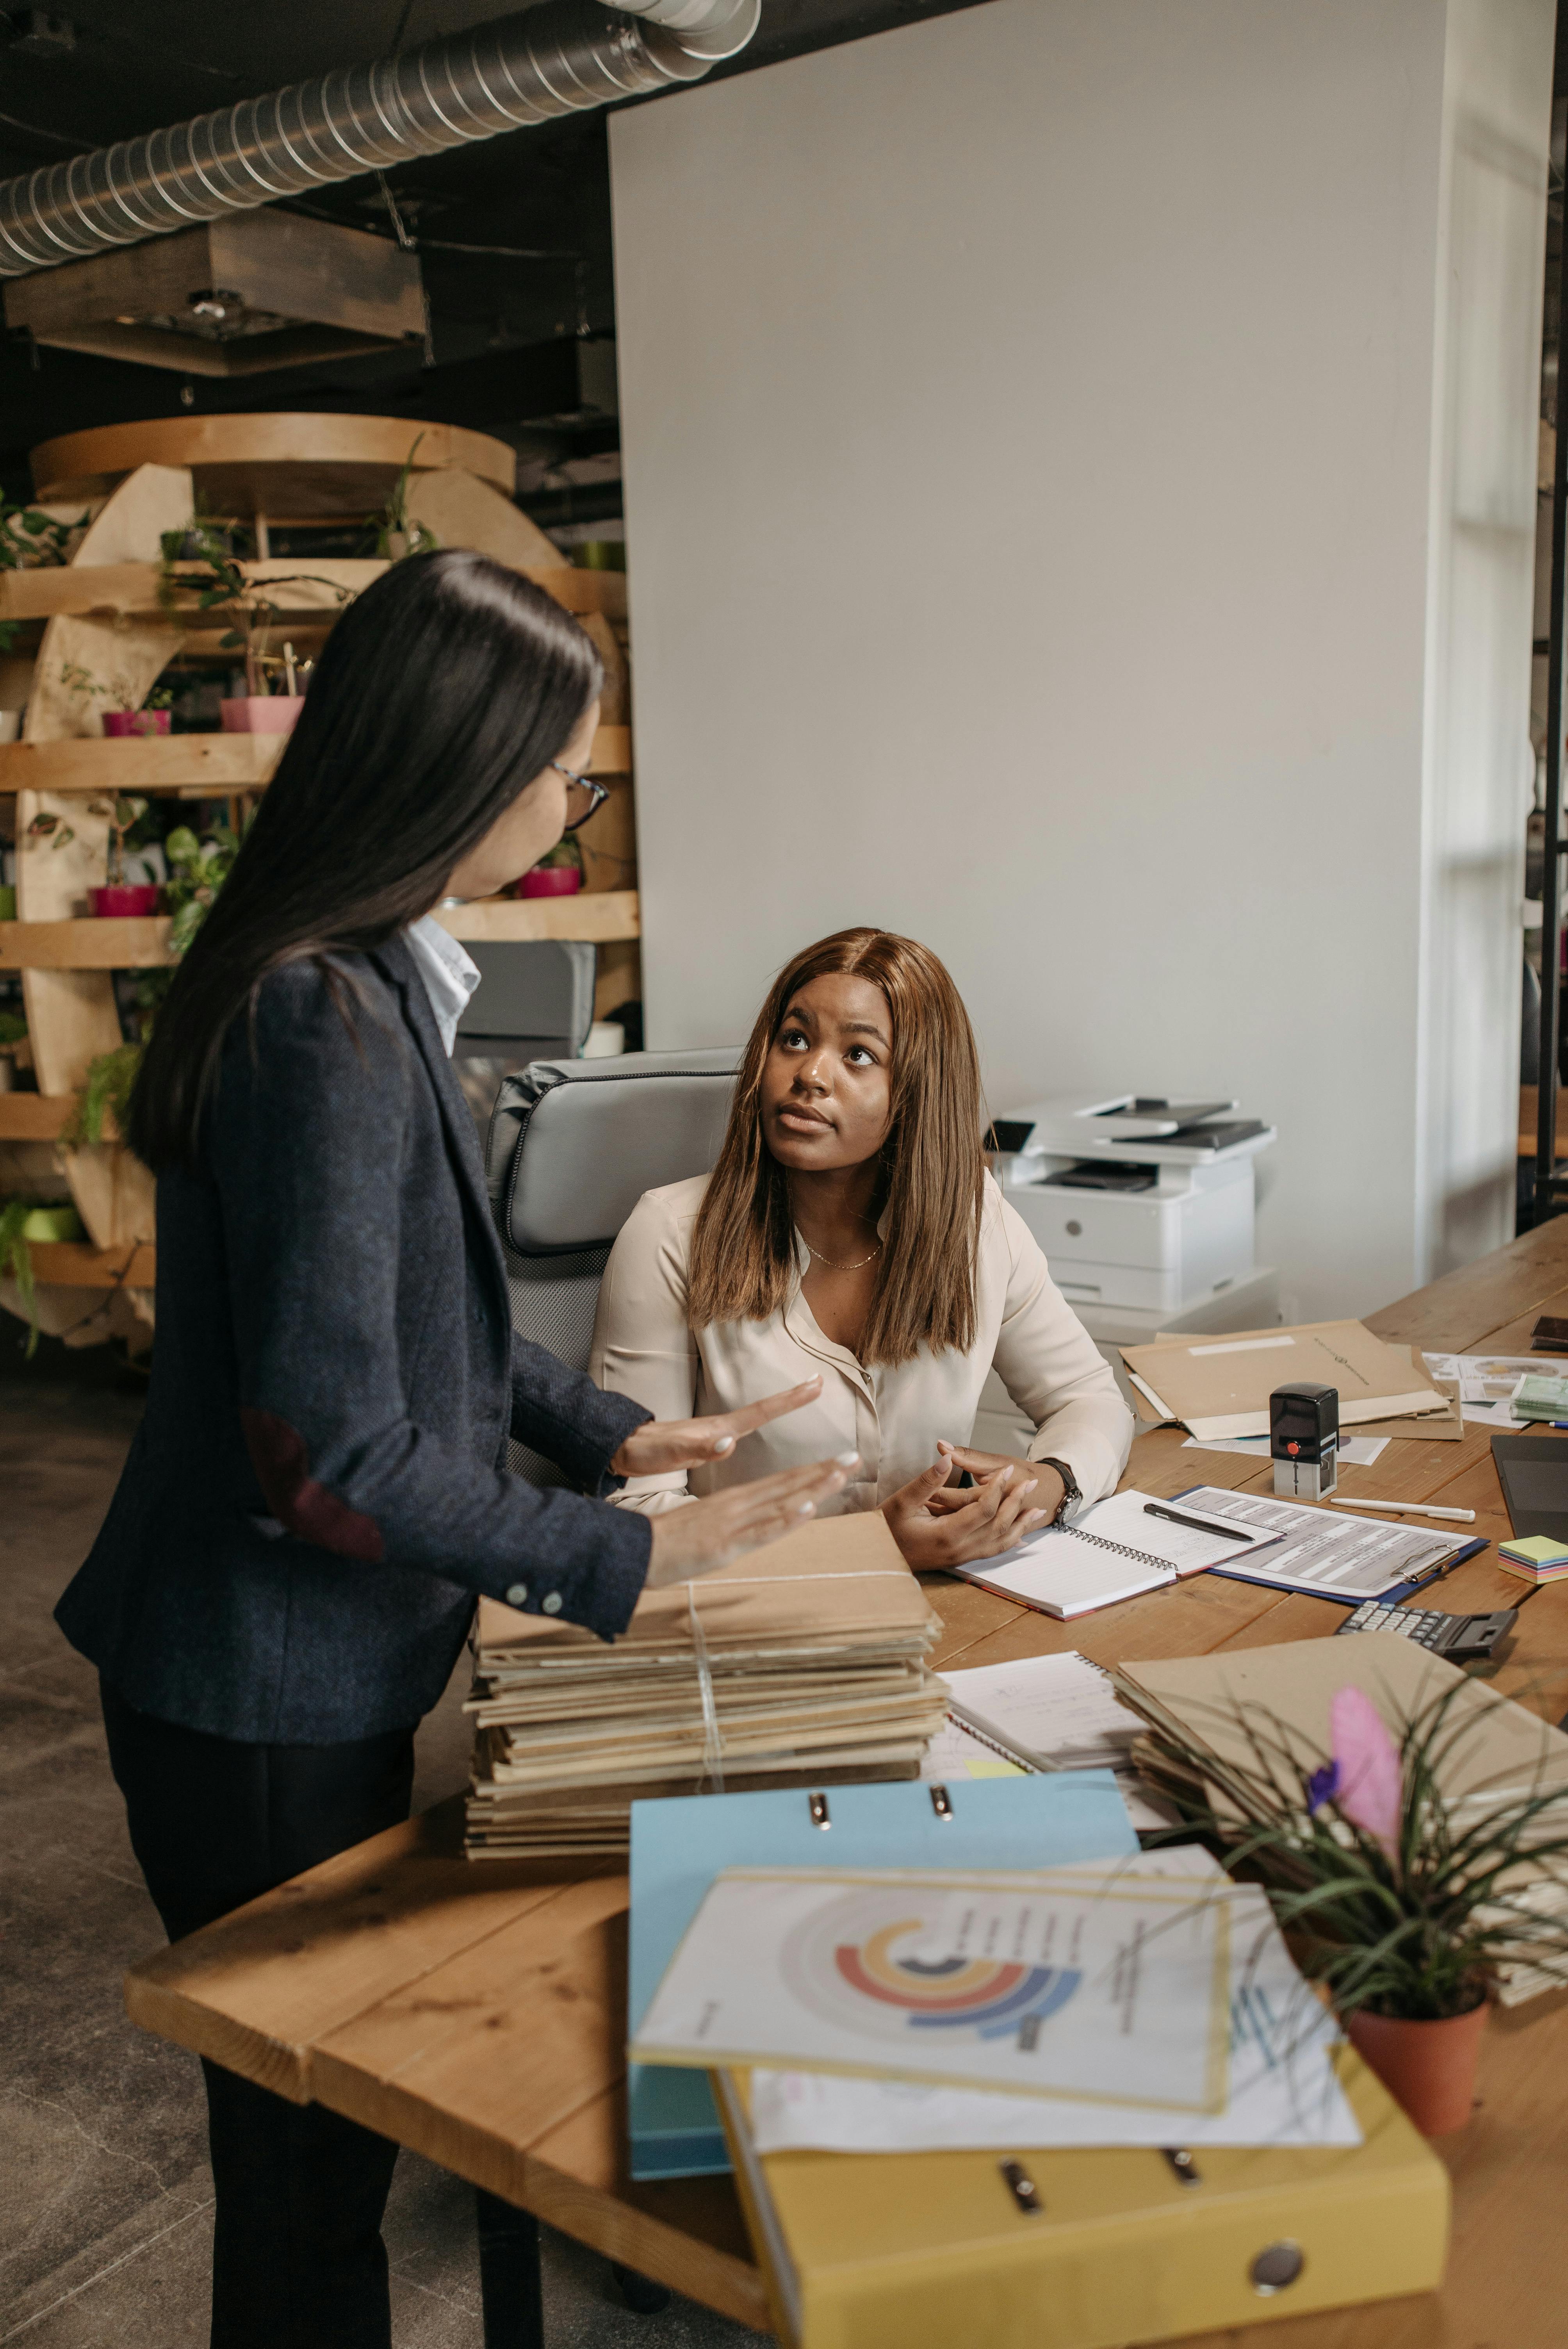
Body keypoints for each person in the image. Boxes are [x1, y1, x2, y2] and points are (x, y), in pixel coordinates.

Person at [53, 551, 853, 2349]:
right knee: (305, 2176)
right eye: (570, 771)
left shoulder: (357, 974)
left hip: (293, 1666)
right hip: (257, 1684)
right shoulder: (319, 1014)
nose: (575, 807)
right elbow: (335, 1449)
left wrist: (621, 1428)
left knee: (315, 2155)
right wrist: (634, 1558)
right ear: (467, 764)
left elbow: (428, 1322)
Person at [590, 926, 1133, 1567]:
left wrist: (1049, 1486)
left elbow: (1088, 1398)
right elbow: (637, 1510)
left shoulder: (974, 1220)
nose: (810, 1074)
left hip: (947, 1613)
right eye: (795, 1039)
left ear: (915, 1095)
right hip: (751, 1626)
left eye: (858, 1055)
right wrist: (867, 1550)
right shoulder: (671, 1233)